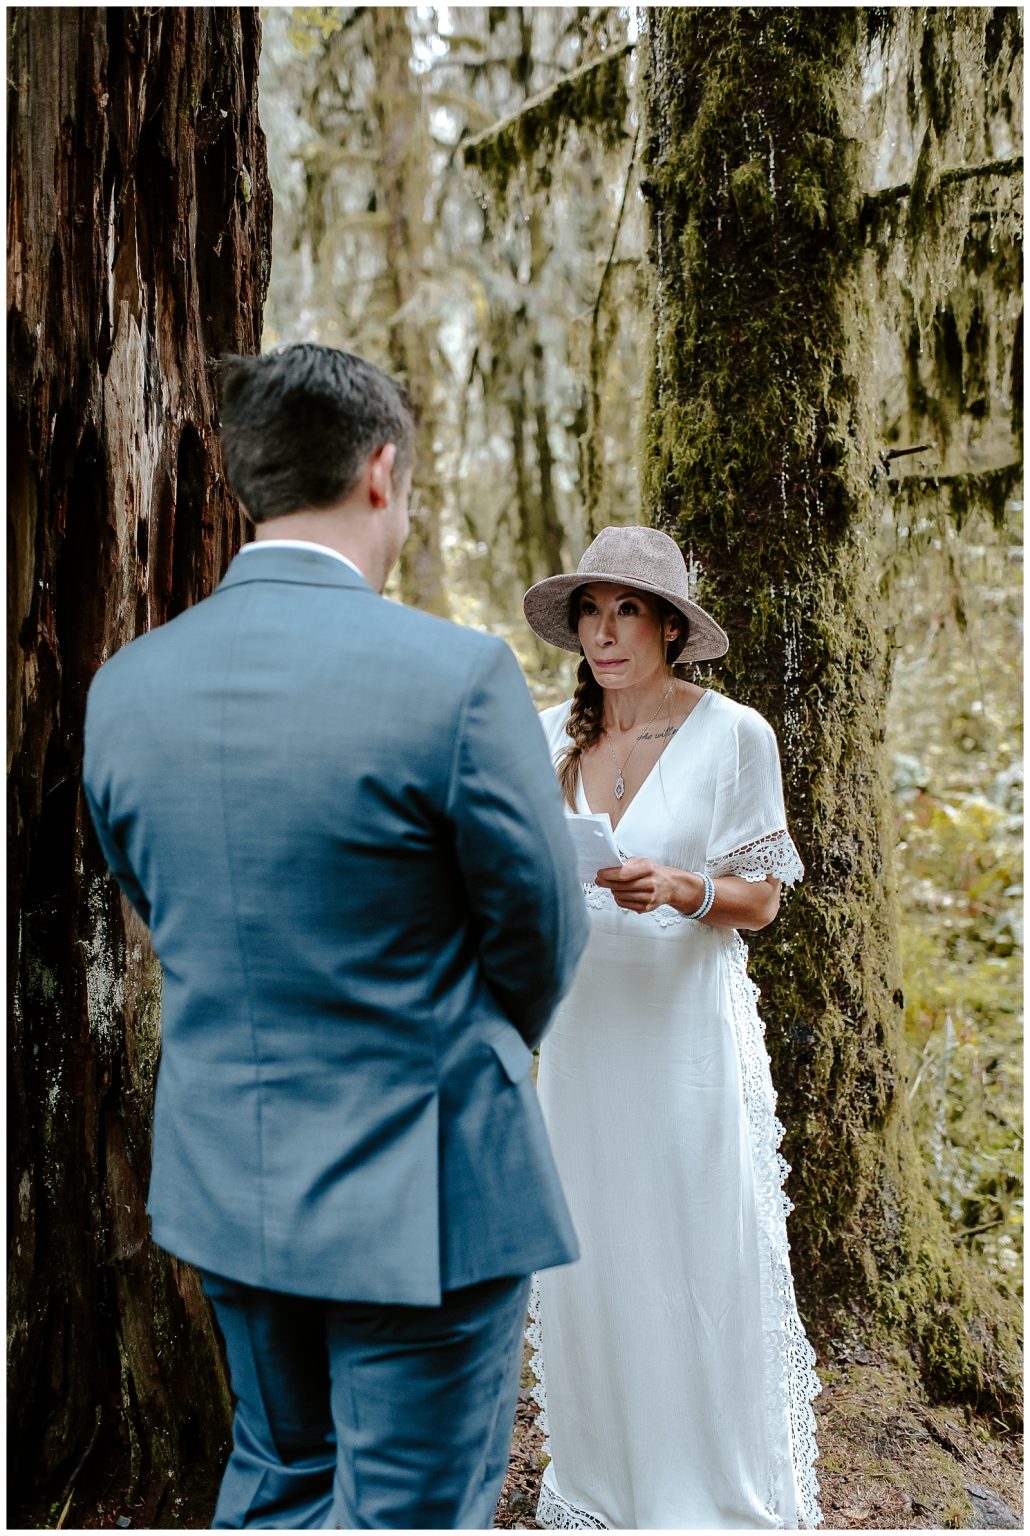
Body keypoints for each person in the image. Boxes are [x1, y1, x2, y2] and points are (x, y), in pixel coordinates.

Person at [83, 343, 589, 1530]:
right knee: (408, 1511)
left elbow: (155, 906)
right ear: (381, 470)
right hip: (424, 1177)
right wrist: (465, 1049)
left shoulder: (125, 686)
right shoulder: (455, 676)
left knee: (278, 1482)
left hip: (228, 1172)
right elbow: (540, 932)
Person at [521, 524, 821, 1530]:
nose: (604, 634)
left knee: (695, 1253)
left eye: (627, 611)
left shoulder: (734, 734)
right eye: (591, 613)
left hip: (681, 1036)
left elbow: (763, 901)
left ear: (670, 627)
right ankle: (606, 1484)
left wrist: (685, 888)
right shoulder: (554, 741)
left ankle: (708, 1498)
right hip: (579, 1037)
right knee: (594, 1256)